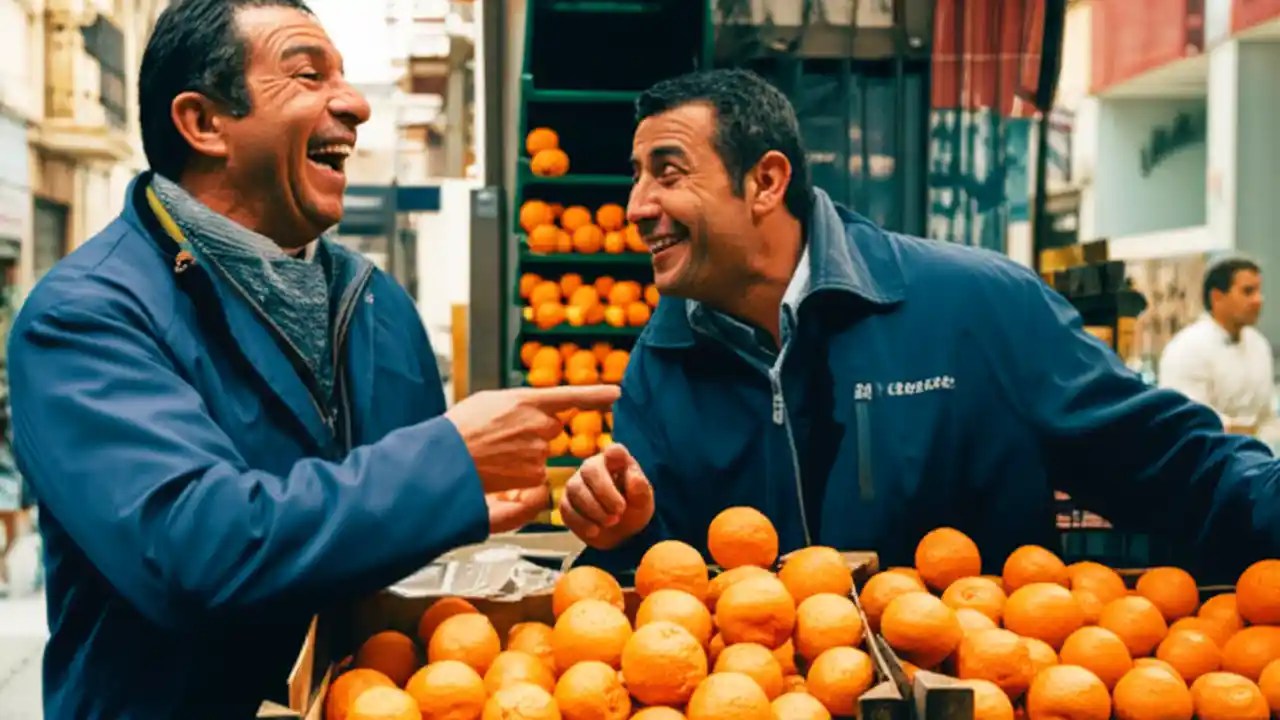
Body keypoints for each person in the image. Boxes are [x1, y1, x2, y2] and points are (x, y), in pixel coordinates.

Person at [6, 0, 618, 716]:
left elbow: (381, 541)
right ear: (204, 124)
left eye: (347, 77)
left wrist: (485, 511)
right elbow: (191, 555)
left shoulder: (377, 305)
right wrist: (444, 463)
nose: (354, 104)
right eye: (307, 75)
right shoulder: (86, 317)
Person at [559, 68, 1280, 584]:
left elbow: (1170, 465)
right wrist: (624, 536)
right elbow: (660, 591)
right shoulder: (663, 361)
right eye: (636, 175)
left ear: (766, 182)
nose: (636, 204)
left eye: (668, 172)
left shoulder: (977, 307)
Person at [1159, 257, 1278, 444]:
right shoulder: (1187, 348)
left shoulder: (1258, 344)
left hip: (1257, 460)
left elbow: (1268, 418)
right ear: (1217, 297)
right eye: (1248, 291)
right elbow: (1190, 422)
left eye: (1259, 291)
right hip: (1206, 462)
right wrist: (1247, 430)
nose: (1258, 300)